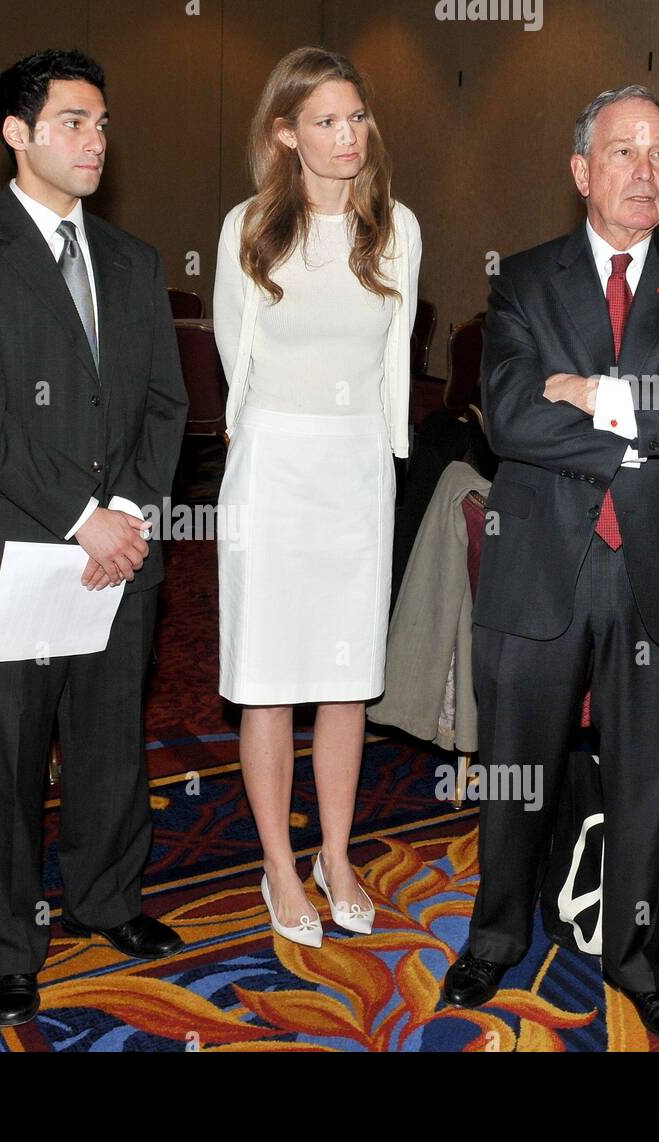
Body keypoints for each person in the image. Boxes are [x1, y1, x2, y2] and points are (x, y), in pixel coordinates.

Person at [442, 84, 659, 1044]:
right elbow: (517, 421)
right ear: (582, 171)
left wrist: (600, 396)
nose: (645, 172)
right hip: (542, 563)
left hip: (653, 567)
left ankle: (636, 954)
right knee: (514, 768)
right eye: (624, 152)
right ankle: (494, 937)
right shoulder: (523, 280)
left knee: (646, 776)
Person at [0, 49, 189, 1027]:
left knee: (112, 744)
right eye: (72, 121)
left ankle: (108, 899)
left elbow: (165, 402)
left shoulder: (134, 259)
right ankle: (7, 945)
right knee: (7, 762)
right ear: (15, 134)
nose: (94, 141)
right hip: (19, 553)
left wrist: (135, 514)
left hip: (123, 557)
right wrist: (83, 517)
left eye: (103, 123)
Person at [213, 47, 420, 947]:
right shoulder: (251, 226)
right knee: (267, 681)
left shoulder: (398, 228)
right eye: (325, 121)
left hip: (358, 469)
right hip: (274, 468)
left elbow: (395, 358)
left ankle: (337, 853)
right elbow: (235, 362)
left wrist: (384, 460)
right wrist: (267, 454)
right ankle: (277, 866)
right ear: (285, 132)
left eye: (357, 117)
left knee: (344, 681)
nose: (347, 136)